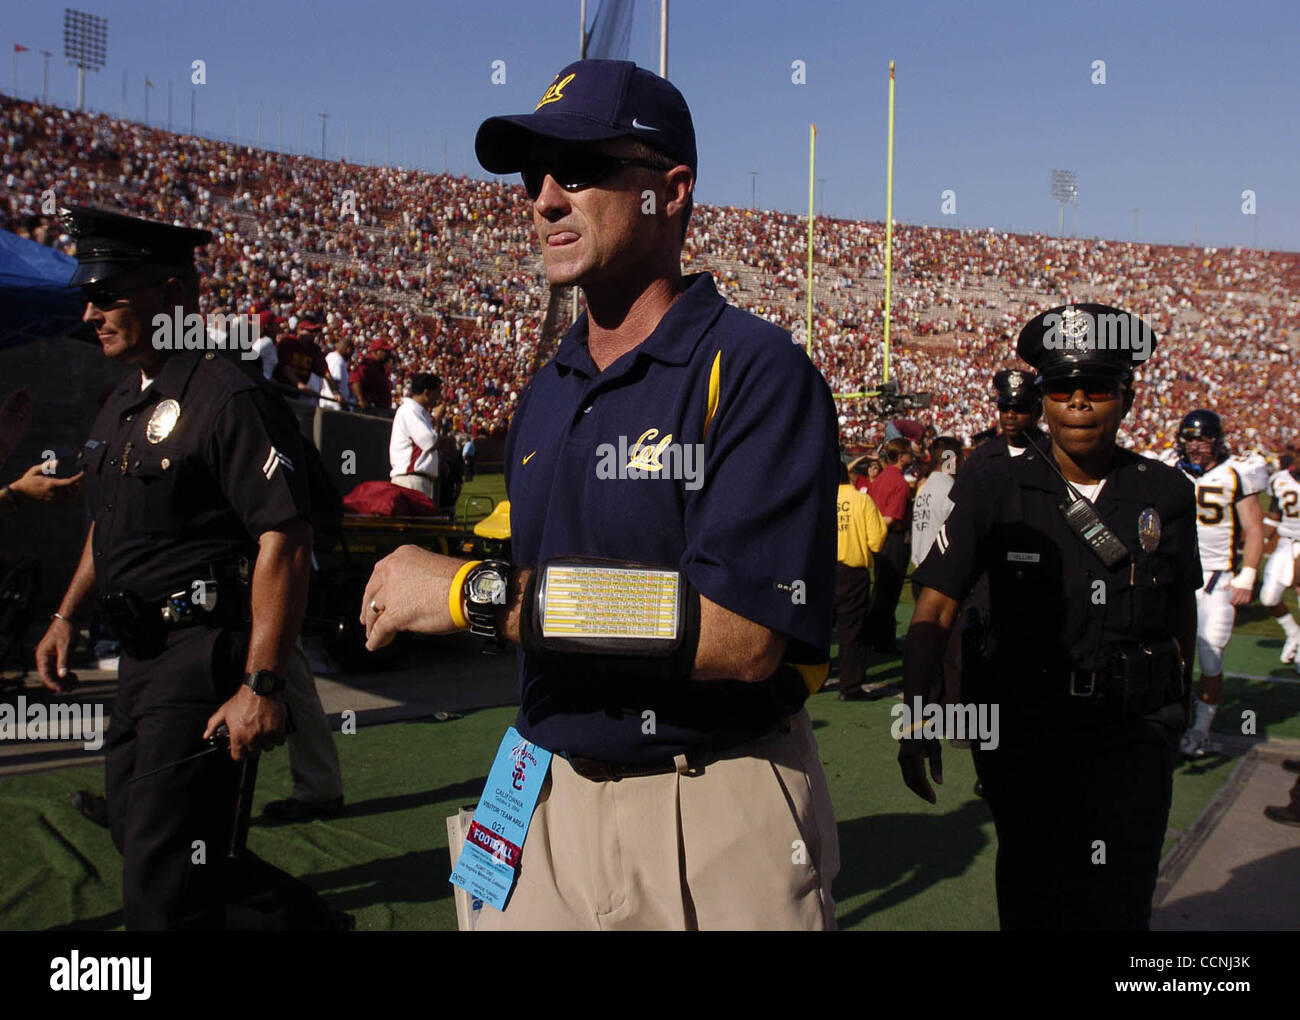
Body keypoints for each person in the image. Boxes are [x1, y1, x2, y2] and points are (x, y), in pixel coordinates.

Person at [360, 57, 840, 930]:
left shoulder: (759, 369)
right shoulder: (549, 386)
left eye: (578, 169)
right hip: (540, 782)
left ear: (673, 190)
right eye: (533, 174)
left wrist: (474, 594)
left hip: (708, 797)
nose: (543, 198)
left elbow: (741, 634)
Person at [33, 206, 328, 930]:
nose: (90, 310)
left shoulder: (225, 395)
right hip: (139, 660)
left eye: (107, 294)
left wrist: (262, 681)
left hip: (201, 660)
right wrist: (67, 613)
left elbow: (284, 536)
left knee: (159, 889)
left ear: (170, 294)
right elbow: (109, 527)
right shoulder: (122, 406)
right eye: (88, 295)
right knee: (143, 831)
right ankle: (304, 922)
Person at [902, 303, 1200, 930]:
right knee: (1033, 892)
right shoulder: (993, 486)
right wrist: (917, 715)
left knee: (1120, 900)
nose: (1079, 402)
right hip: (1025, 730)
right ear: (1043, 397)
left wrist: (1179, 708)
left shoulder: (1166, 493)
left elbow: (1179, 608)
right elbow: (937, 604)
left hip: (1132, 731)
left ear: (1128, 396)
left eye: (1098, 387)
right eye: (1062, 387)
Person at [1173, 409, 1265, 758]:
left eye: (1203, 438)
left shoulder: (1235, 474)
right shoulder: (1170, 470)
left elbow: (1254, 529)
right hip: (1179, 578)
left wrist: (1248, 574)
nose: (1196, 445)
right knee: (1171, 656)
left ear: (1217, 439)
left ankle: (1201, 731)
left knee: (1210, 657)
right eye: (1190, 438)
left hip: (1217, 581)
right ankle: (1172, 721)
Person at [950, 368, 1048, 503]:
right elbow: (959, 512)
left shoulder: (1052, 454)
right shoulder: (981, 457)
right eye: (1004, 407)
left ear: (1037, 411)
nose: (1010, 415)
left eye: (1019, 408)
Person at [835, 458, 887, 700]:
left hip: (822, 571)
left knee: (819, 627)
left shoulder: (820, 501)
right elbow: (876, 540)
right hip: (852, 571)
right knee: (852, 630)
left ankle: (815, 676)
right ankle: (850, 685)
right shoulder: (861, 500)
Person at [861, 437, 913, 653]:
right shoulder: (899, 483)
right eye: (909, 452)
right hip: (893, 538)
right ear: (901, 457)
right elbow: (890, 518)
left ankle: (878, 636)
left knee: (882, 589)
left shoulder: (881, 479)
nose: (912, 455)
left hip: (880, 540)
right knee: (888, 592)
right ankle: (880, 640)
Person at [1259, 458, 1300, 668]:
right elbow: (1275, 515)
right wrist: (1262, 541)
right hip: (1286, 543)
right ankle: (1294, 634)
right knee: (1268, 597)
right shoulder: (1279, 480)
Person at [389, 372, 443, 502]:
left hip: (417, 478)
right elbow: (430, 442)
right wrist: (437, 419)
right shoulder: (410, 410)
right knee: (415, 521)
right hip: (410, 479)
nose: (440, 397)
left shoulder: (419, 411)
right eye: (437, 392)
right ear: (427, 393)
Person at [352, 339, 394, 414]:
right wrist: (360, 399)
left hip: (381, 410)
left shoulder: (379, 366)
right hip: (372, 410)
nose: (388, 354)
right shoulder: (368, 364)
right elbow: (354, 380)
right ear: (376, 351)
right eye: (385, 351)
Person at [320, 335, 355, 410]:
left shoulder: (334, 357)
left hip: (332, 402)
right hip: (334, 404)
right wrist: (340, 401)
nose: (351, 354)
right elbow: (332, 379)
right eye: (352, 351)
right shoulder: (337, 358)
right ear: (348, 349)